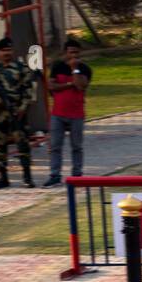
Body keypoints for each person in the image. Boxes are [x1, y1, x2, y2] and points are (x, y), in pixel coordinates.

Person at [0, 37, 37, 189]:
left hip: (17, 113)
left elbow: (29, 90)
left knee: (23, 145)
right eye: (3, 51)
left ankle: (27, 177)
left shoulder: (21, 68)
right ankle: (3, 178)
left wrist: (23, 107)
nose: (7, 53)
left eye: (9, 50)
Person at [44, 38, 91, 186]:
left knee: (77, 146)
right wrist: (70, 83)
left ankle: (77, 174)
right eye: (71, 53)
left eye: (77, 53)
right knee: (55, 145)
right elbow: (51, 86)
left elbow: (81, 86)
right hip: (58, 114)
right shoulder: (57, 66)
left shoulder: (85, 69)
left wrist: (74, 69)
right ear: (66, 53)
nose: (74, 56)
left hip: (77, 114)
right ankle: (55, 174)